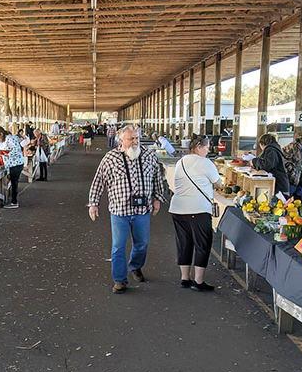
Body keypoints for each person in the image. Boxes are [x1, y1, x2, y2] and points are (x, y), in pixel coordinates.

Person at [88, 125, 168, 294]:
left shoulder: (148, 155)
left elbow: (157, 178)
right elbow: (98, 180)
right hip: (119, 211)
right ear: (121, 140)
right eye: (131, 139)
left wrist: (157, 199)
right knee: (118, 246)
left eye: (136, 138)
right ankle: (119, 280)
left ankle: (136, 266)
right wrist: (93, 203)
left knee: (142, 244)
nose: (135, 142)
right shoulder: (110, 158)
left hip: (142, 210)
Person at [169, 135, 223, 292]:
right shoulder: (205, 163)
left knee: (184, 243)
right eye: (206, 147)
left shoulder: (181, 162)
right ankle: (198, 281)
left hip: (178, 209)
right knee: (202, 244)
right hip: (198, 209)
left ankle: (185, 278)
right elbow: (218, 183)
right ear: (199, 146)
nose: (208, 150)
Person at [0, 126, 25, 209]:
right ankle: (12, 200)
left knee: (14, 182)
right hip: (10, 164)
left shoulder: (10, 139)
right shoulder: (1, 141)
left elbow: (17, 149)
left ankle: (14, 202)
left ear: (1, 134)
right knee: (13, 182)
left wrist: (8, 155)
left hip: (16, 163)